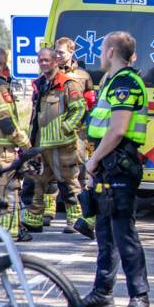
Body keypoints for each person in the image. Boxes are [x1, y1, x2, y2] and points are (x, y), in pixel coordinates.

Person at [82, 32, 151, 307]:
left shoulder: (124, 83)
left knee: (124, 234)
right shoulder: (110, 81)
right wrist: (95, 164)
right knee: (105, 233)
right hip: (108, 164)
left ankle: (139, 297)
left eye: (102, 49)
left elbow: (118, 129)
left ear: (111, 52)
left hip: (119, 163)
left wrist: (93, 160)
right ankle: (102, 293)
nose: (100, 54)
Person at [24, 48, 85, 235]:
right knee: (36, 181)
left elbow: (79, 109)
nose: (43, 63)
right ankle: (33, 219)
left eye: (47, 60)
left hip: (62, 145)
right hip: (40, 144)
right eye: (40, 60)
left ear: (56, 61)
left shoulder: (67, 84)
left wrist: (65, 128)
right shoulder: (39, 84)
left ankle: (75, 220)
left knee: (68, 183)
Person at [54, 36, 96, 239]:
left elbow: (90, 104)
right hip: (54, 130)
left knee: (77, 171)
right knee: (51, 170)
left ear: (71, 52)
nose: (58, 56)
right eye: (56, 52)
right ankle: (47, 213)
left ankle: (78, 215)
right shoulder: (50, 73)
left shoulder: (83, 76)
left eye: (61, 52)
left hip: (77, 131)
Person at [0, 48, 31, 241]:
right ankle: (8, 234)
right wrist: (25, 144)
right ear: (2, 64)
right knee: (7, 190)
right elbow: (5, 120)